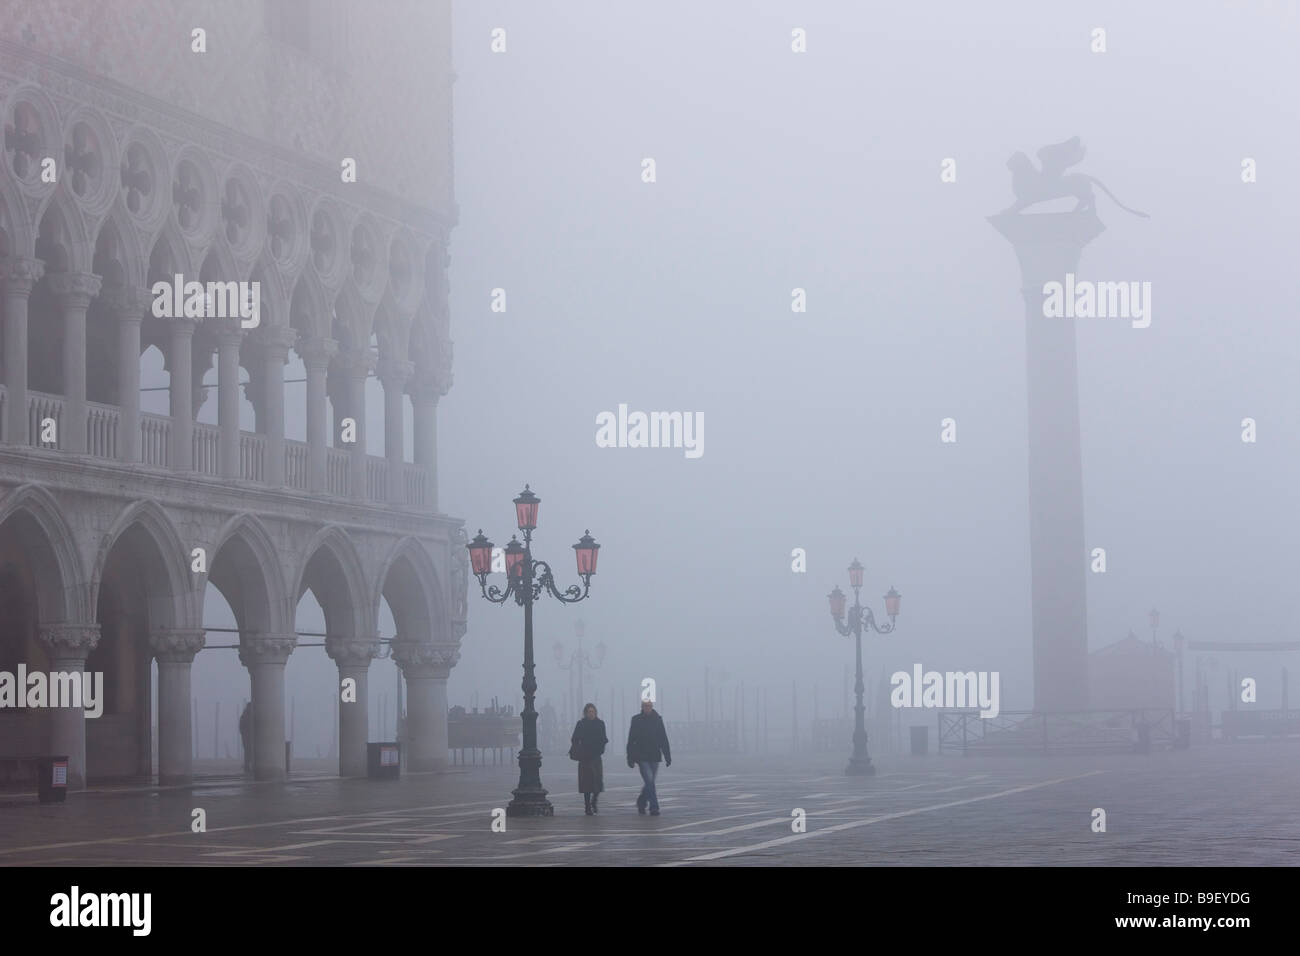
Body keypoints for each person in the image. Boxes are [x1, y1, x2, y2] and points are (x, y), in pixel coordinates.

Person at [626, 698, 672, 815]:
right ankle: (654, 807)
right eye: (645, 706)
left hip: (654, 755)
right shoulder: (636, 720)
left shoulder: (657, 719)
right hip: (641, 756)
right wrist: (630, 757)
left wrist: (667, 755)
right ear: (642, 707)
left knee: (649, 782)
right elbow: (631, 739)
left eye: (649, 706)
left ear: (652, 707)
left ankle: (641, 801)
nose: (647, 708)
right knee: (650, 780)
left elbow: (663, 738)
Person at [571, 703, 608, 815]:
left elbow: (604, 739)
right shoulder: (581, 724)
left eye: (593, 712)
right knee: (586, 783)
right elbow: (574, 738)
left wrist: (601, 749)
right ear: (585, 713)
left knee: (597, 780)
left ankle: (594, 800)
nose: (591, 714)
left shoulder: (600, 724)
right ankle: (587, 806)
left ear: (595, 712)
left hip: (596, 756)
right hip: (584, 756)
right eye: (589, 712)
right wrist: (579, 748)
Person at [239, 702, 253, 772]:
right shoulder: (248, 715)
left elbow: (241, 727)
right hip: (248, 737)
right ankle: (248, 767)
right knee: (249, 752)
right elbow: (242, 727)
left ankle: (247, 767)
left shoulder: (244, 715)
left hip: (246, 737)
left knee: (248, 752)